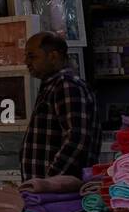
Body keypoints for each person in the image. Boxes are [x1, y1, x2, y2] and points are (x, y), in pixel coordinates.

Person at [22, 32, 101, 184]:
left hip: (60, 193)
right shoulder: (52, 85)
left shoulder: (66, 85)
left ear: (53, 56)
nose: (26, 62)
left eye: (32, 57)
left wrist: (51, 181)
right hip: (47, 192)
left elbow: (77, 139)